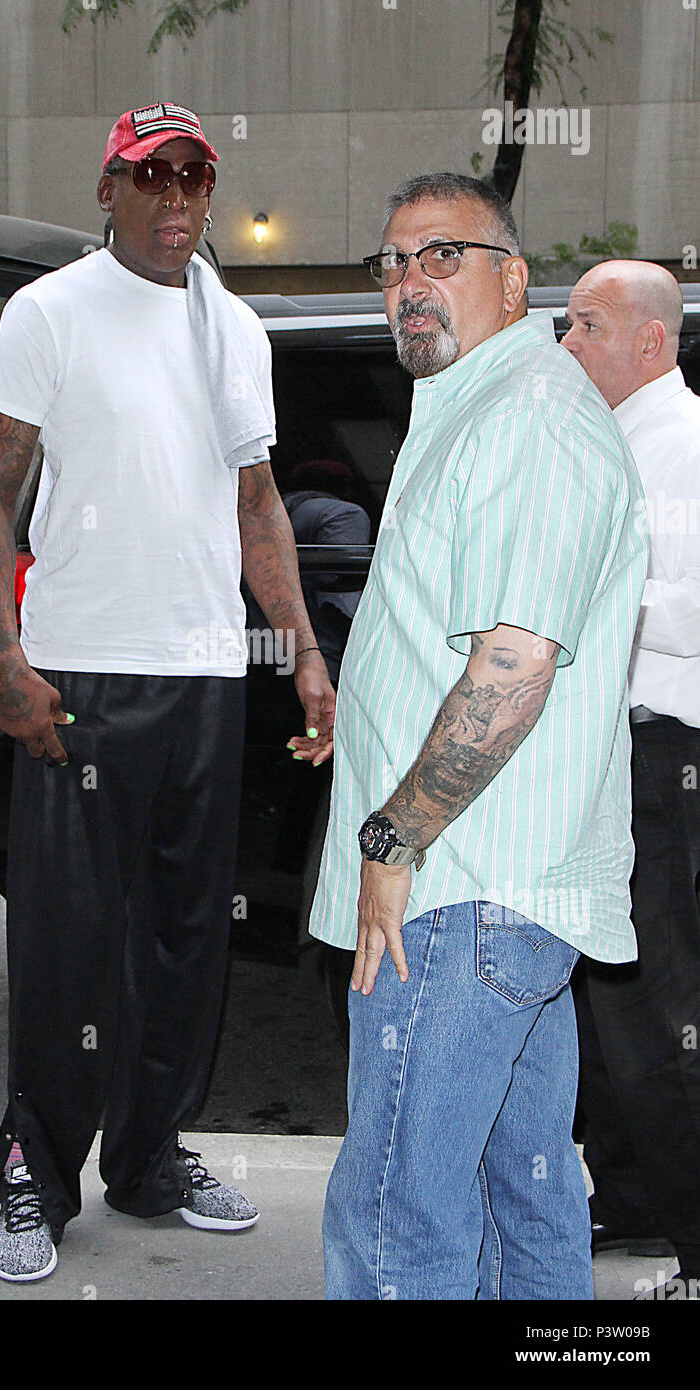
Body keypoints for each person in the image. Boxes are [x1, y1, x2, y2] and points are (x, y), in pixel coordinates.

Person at [0, 102, 335, 1283]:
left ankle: (149, 1156)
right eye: (150, 175)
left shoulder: (233, 327)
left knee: (184, 940)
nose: (174, 196)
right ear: (108, 188)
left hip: (206, 674)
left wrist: (301, 648)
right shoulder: (50, 311)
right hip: (78, 675)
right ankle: (32, 1174)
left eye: (193, 176)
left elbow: (256, 505)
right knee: (66, 943)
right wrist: (5, 659)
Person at [301, 172, 648, 1300]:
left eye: (441, 255)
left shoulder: (528, 418)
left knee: (396, 1215)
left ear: (512, 280)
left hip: (460, 890)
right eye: (392, 263)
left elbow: (513, 664)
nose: (409, 282)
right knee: (521, 1193)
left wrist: (393, 839)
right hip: (493, 893)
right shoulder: (476, 406)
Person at [563, 261, 700, 1301]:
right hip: (605, 755)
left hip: (662, 759)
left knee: (662, 1017)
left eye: (585, 325)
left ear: (648, 341)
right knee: (602, 1002)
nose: (567, 344)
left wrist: (569, 596)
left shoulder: (683, 444)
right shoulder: (609, 438)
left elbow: (686, 614)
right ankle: (632, 1196)